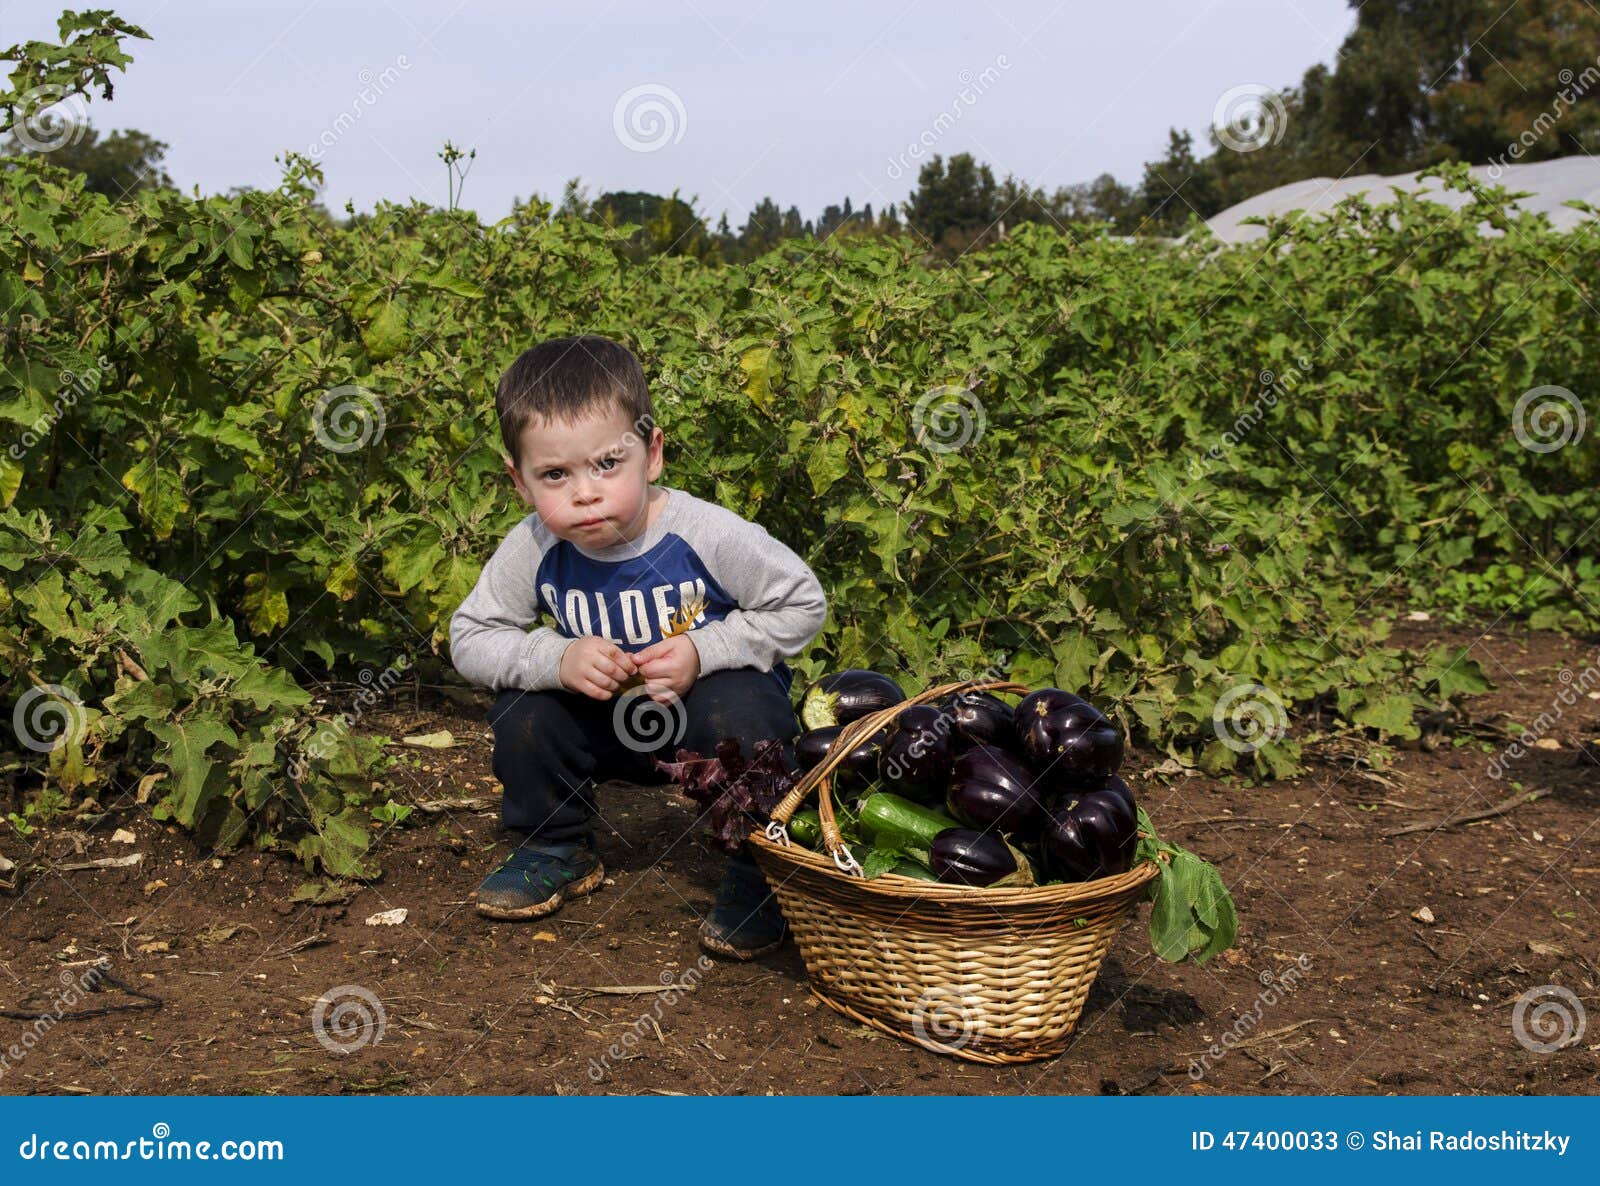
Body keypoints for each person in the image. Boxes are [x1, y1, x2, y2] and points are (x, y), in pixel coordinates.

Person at [448, 334, 827, 959]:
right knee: (524, 709)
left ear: (650, 454)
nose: (584, 493)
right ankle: (554, 842)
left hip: (699, 723)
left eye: (606, 465)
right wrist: (555, 659)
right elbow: (471, 635)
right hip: (604, 726)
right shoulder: (535, 543)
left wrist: (706, 651)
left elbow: (803, 603)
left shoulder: (707, 532)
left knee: (743, 710)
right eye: (554, 475)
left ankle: (759, 866)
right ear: (519, 483)